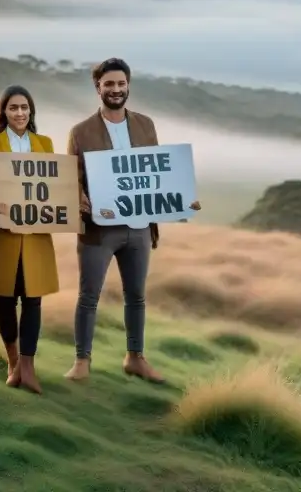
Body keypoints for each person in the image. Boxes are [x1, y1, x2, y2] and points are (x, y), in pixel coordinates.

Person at [64, 57, 200, 384]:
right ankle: (82, 361)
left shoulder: (145, 125)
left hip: (139, 228)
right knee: (88, 296)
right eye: (109, 84)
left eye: (121, 83)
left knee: (136, 296)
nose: (116, 89)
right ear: (97, 87)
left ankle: (135, 357)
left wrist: (181, 200)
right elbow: (71, 178)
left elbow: (156, 173)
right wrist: (78, 196)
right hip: (98, 230)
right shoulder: (80, 132)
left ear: (128, 86)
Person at [0, 85, 58, 395]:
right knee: (5, 300)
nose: (19, 113)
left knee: (33, 299)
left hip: (35, 236)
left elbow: (55, 187)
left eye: (24, 107)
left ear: (31, 111)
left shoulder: (44, 144)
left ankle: (28, 368)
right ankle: (13, 362)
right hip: (1, 236)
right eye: (13, 108)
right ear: (4, 112)